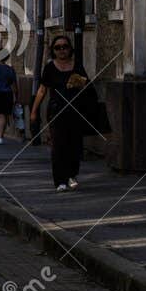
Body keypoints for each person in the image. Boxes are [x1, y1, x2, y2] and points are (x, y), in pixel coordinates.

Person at [31, 35, 99, 191]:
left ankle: (71, 175)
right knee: (58, 146)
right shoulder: (49, 67)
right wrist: (34, 112)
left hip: (75, 111)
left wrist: (80, 83)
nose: (62, 50)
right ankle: (60, 180)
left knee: (74, 146)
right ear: (53, 50)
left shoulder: (77, 66)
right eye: (58, 47)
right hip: (56, 111)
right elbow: (42, 90)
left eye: (65, 47)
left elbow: (87, 86)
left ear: (70, 49)